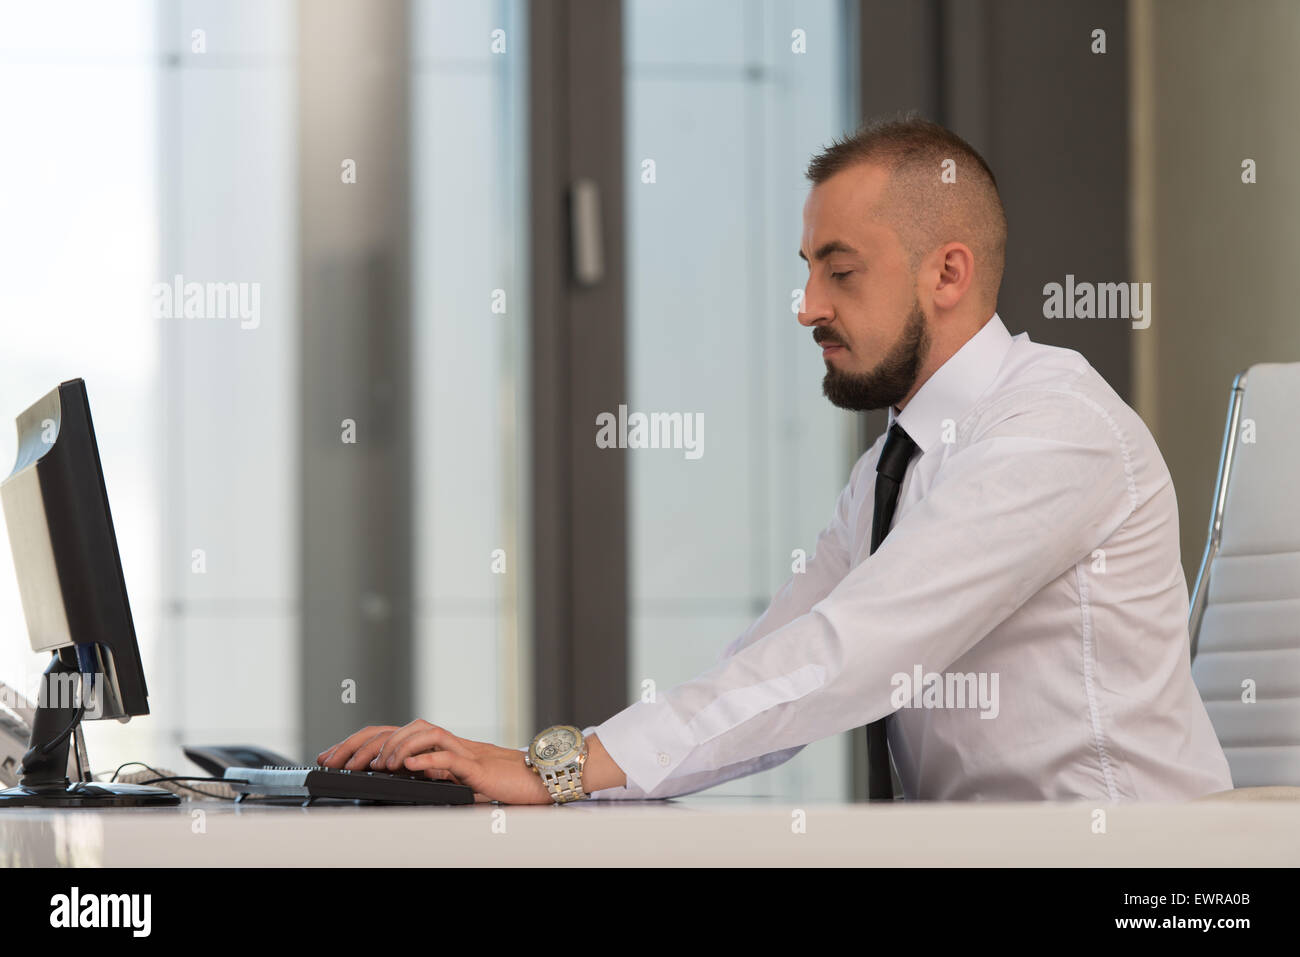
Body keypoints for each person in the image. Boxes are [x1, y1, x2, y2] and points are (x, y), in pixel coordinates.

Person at [319, 114, 1233, 804]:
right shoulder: (895, 462)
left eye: (840, 271)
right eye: (807, 269)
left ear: (947, 274)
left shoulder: (1054, 431)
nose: (805, 305)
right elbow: (776, 666)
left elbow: (852, 653)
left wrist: (552, 770)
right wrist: (558, 770)